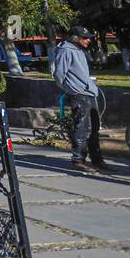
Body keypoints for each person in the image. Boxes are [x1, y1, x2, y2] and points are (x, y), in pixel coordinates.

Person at [52, 26, 105, 173]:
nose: (88, 40)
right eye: (85, 37)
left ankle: (97, 159)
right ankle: (78, 160)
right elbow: (59, 74)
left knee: (94, 127)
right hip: (79, 94)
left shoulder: (79, 50)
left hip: (89, 92)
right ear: (75, 37)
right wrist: (70, 89)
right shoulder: (66, 50)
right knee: (82, 127)